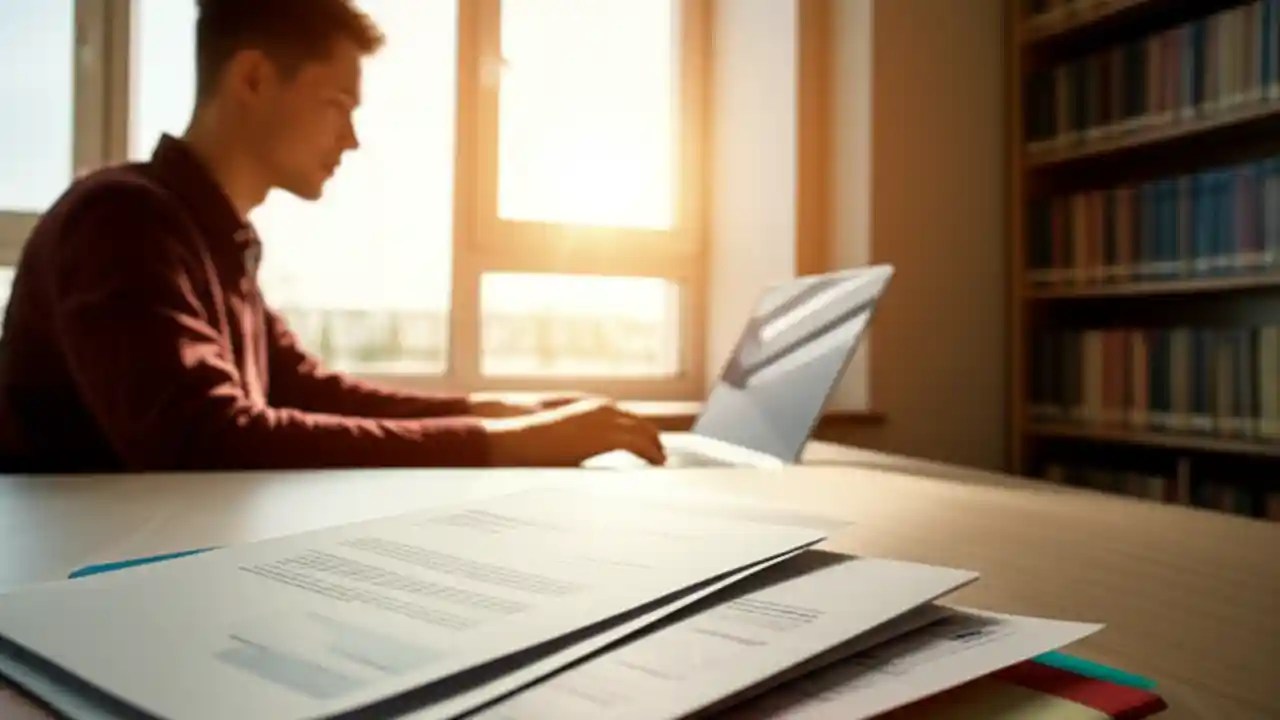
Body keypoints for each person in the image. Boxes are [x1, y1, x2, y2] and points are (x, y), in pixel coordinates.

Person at [0, 0, 665, 473]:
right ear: (254, 78)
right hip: (68, 604)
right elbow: (201, 436)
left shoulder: (212, 240)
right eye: (337, 104)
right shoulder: (121, 217)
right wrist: (506, 443)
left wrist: (502, 408)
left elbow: (312, 393)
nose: (350, 138)